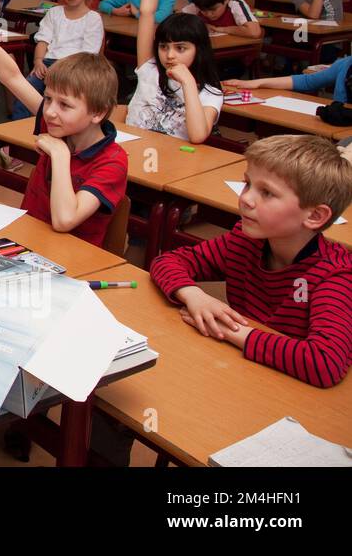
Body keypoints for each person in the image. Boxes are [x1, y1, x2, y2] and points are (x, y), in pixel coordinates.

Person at [151, 134, 352, 388]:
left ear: (314, 215)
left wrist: (230, 330)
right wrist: (194, 295)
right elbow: (168, 261)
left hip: (291, 393)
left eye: (267, 192)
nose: (246, 198)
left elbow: (325, 363)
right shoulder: (245, 241)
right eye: (248, 184)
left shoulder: (335, 275)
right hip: (242, 371)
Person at [0, 0, 127, 246]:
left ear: (98, 113)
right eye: (48, 99)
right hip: (28, 244)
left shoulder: (112, 162)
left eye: (65, 105)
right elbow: (11, 76)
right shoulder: (62, 124)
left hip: (72, 264)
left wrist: (61, 155)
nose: (49, 111)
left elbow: (64, 220)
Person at [126, 0, 222, 143]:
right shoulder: (149, 67)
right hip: (132, 151)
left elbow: (198, 136)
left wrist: (188, 82)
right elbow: (148, 12)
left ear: (199, 50)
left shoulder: (209, 93)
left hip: (172, 166)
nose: (169, 55)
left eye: (181, 48)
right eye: (163, 47)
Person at [12, 0, 102, 120]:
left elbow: (87, 55)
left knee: (58, 100)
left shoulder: (93, 18)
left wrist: (61, 69)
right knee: (25, 91)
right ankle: (18, 130)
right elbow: (43, 41)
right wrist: (38, 61)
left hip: (76, 68)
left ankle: (47, 125)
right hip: (48, 63)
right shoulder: (54, 13)